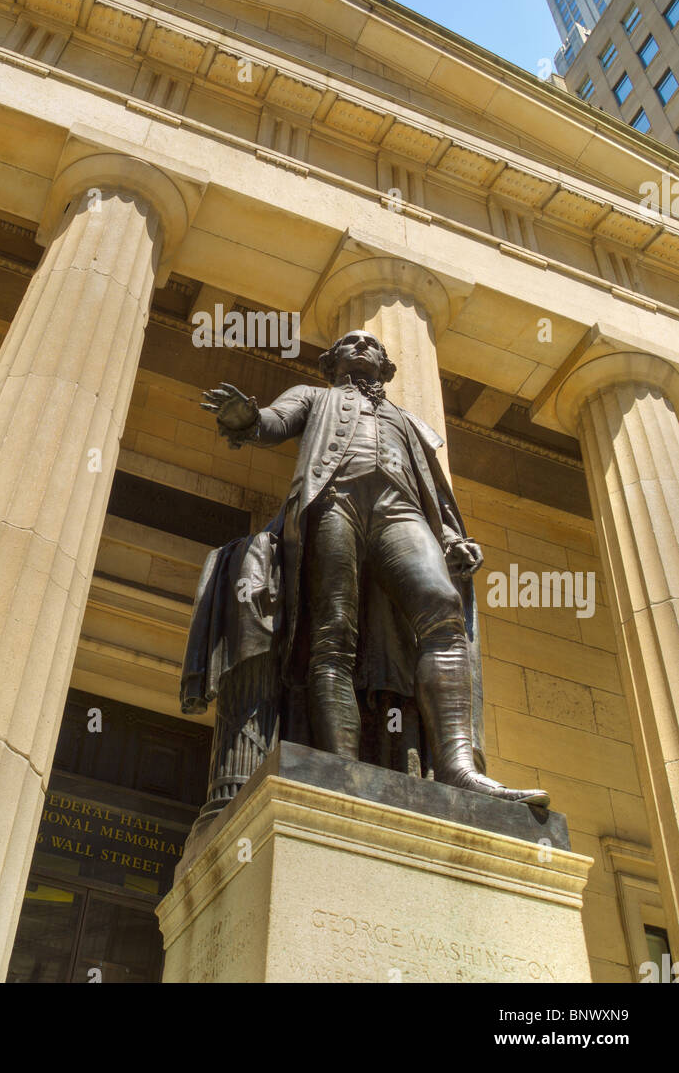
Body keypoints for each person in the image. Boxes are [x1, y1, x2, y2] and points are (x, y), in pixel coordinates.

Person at [200, 329, 548, 806]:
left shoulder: (406, 421)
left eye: (372, 345)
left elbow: (432, 491)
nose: (362, 346)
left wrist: (449, 538)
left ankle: (457, 767)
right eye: (350, 342)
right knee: (333, 633)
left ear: (386, 366)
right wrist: (247, 417)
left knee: (442, 607)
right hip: (333, 500)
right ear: (331, 363)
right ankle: (341, 768)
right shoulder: (314, 396)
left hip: (397, 509)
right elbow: (273, 422)